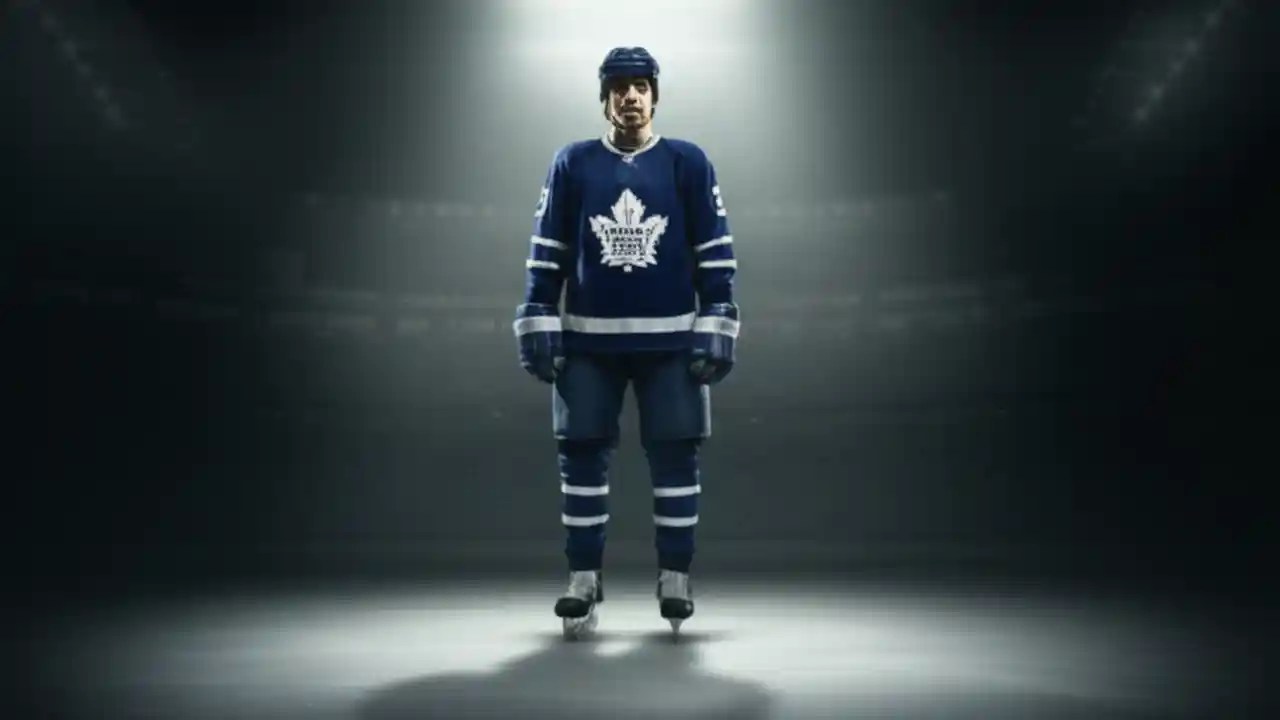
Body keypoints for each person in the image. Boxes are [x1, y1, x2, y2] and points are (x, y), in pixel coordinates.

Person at [511, 47, 740, 639]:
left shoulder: (688, 163)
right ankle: (583, 578)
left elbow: (713, 248)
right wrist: (539, 308)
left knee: (675, 453)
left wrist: (718, 311)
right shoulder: (573, 163)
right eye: (620, 87)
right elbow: (549, 248)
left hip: (669, 340)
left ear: (655, 95)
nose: (631, 96)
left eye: (641, 86)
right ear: (604, 97)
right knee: (581, 453)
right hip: (589, 341)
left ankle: (675, 576)